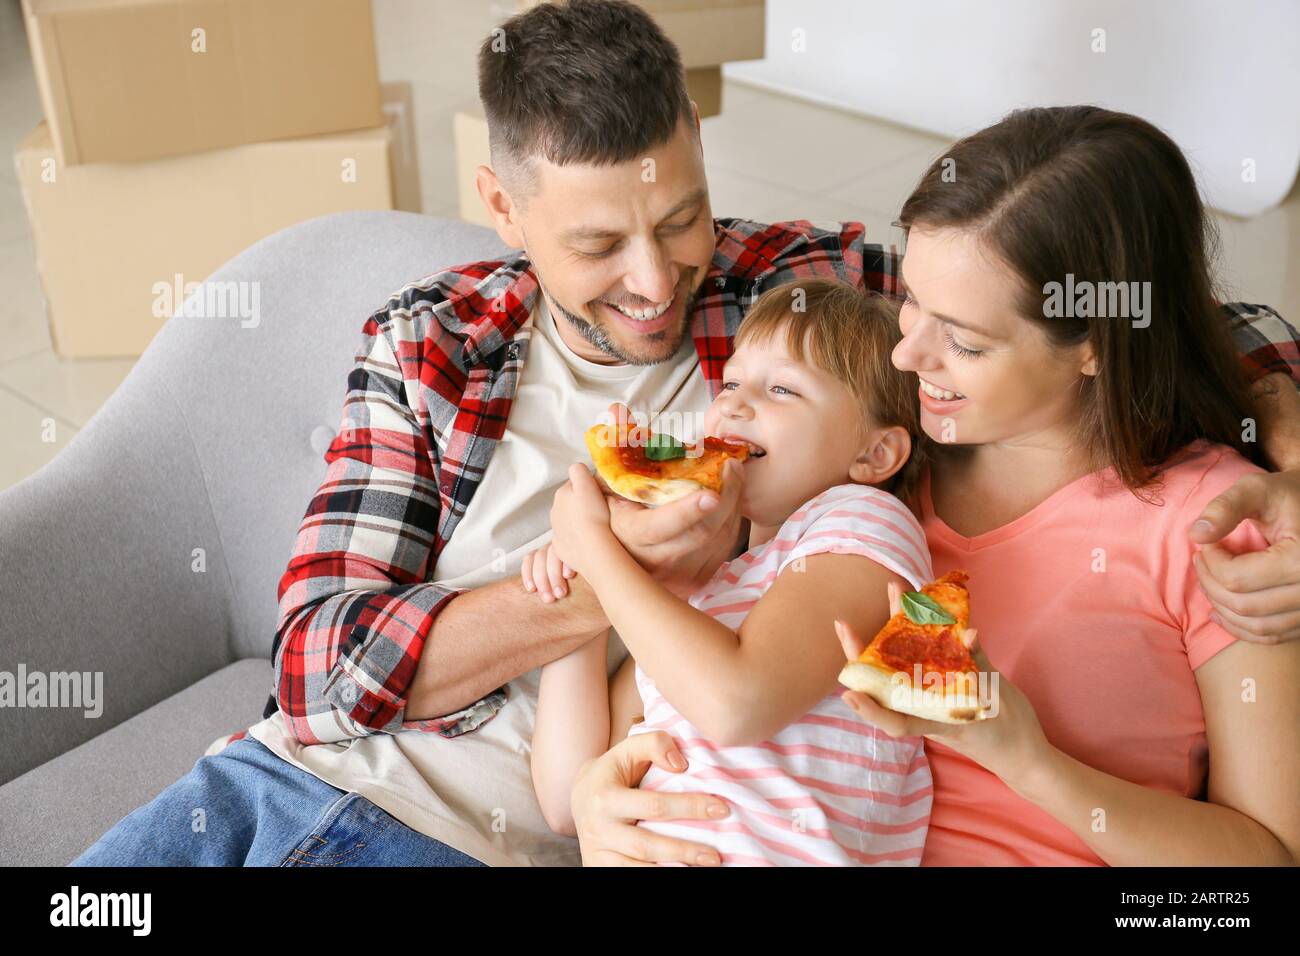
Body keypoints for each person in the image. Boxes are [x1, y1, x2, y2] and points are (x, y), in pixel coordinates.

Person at [70, 1, 1300, 867]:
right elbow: (319, 667)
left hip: (470, 834)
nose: (658, 280)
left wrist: (1287, 459)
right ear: (500, 206)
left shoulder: (807, 310)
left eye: (683, 216)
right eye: (599, 245)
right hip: (284, 770)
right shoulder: (427, 347)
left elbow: (1139, 314)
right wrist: (597, 582)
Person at [569, 105, 1300, 866]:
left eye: (964, 340)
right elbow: (688, 694)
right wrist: (602, 795)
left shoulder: (1225, 527)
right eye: (913, 299)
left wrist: (1027, 760)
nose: (908, 355)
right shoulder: (857, 471)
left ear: (1096, 343)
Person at [526, 279, 935, 865]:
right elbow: (568, 800)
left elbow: (737, 705)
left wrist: (596, 551)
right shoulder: (711, 594)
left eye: (782, 389)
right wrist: (581, 595)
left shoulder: (865, 521)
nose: (735, 405)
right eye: (733, 383)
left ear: (875, 455)